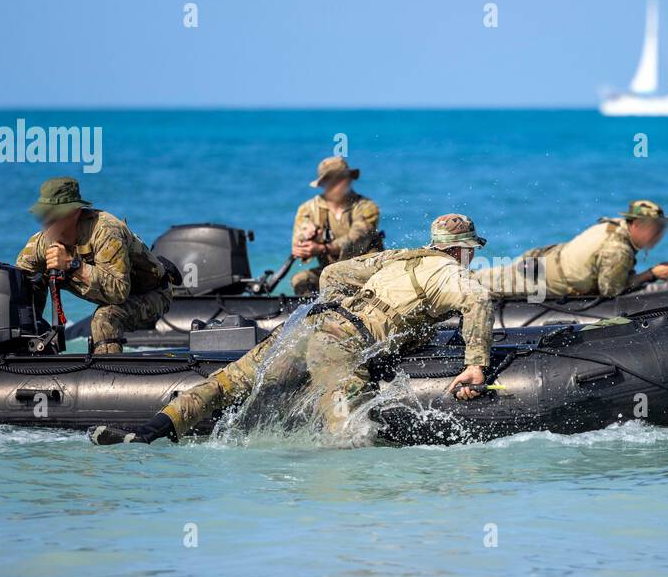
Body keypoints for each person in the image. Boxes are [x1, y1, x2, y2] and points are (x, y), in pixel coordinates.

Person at [90, 214, 493, 445]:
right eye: (471, 252)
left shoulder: (400, 258)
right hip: (345, 343)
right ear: (462, 249)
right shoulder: (450, 271)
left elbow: (333, 274)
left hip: (309, 329)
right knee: (348, 426)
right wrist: (476, 365)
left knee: (229, 382)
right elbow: (478, 301)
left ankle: (146, 433)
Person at [15, 177, 177, 354]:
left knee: (104, 318)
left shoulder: (106, 231)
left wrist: (72, 264)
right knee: (25, 301)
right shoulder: (41, 243)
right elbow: (18, 282)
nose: (47, 221)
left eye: (54, 214)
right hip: (114, 292)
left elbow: (118, 292)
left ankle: (108, 376)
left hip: (152, 293)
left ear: (75, 212)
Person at [475, 199, 668, 298]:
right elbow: (611, 292)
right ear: (635, 225)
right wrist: (651, 274)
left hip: (543, 260)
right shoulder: (618, 250)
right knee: (474, 285)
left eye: (661, 229)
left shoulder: (617, 225)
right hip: (540, 279)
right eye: (653, 228)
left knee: (481, 278)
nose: (658, 234)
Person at [289, 156, 383, 295]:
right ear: (323, 183)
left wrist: (323, 248)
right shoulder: (308, 209)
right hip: (329, 270)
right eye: (333, 178)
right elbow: (298, 241)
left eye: (343, 177)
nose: (341, 182)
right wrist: (306, 240)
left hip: (365, 269)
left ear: (350, 178)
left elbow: (357, 239)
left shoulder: (366, 207)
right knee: (301, 280)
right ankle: (312, 313)